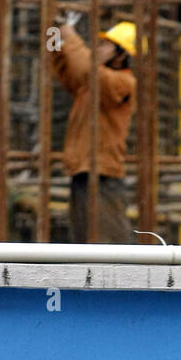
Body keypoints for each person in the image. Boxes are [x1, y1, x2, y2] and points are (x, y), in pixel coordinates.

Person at [50, 15, 139, 244]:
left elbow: (86, 67)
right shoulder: (93, 83)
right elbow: (69, 71)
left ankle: (129, 280)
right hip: (83, 170)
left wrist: (70, 35)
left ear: (122, 54)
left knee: (110, 242)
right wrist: (57, 37)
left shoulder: (121, 83)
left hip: (103, 174)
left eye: (105, 45)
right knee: (84, 242)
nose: (98, 48)